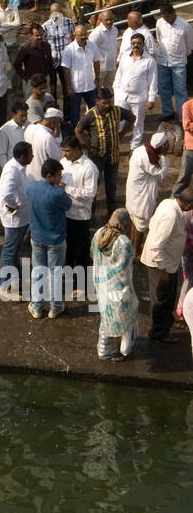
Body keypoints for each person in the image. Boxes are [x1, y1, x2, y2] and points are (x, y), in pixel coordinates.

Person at [140, 191, 193, 343]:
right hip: (161, 264)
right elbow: (157, 246)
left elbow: (152, 225)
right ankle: (159, 333)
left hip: (169, 262)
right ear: (188, 205)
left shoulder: (168, 203)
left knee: (169, 296)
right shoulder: (171, 216)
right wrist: (162, 270)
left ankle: (167, 323)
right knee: (160, 299)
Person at [76, 86, 133, 215]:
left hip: (113, 155)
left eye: (109, 102)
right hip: (96, 156)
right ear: (97, 101)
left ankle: (111, 213)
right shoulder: (90, 114)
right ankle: (91, 213)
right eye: (104, 102)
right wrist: (87, 147)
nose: (108, 105)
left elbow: (132, 118)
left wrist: (121, 134)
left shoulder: (117, 111)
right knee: (93, 186)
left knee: (112, 185)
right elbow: (78, 131)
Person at [26, 158, 71, 319]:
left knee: (38, 271)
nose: (60, 178)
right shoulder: (57, 193)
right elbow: (68, 205)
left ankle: (37, 306)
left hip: (37, 236)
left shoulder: (30, 187)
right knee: (55, 273)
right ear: (50, 175)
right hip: (56, 239)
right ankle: (55, 307)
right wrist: (62, 189)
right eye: (59, 175)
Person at [91, 210, 139, 362]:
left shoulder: (99, 233)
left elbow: (92, 254)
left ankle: (105, 351)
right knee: (125, 321)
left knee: (107, 318)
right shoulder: (123, 242)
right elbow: (126, 265)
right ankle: (123, 352)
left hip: (101, 284)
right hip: (119, 288)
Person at [59, 137, 99, 290]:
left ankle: (82, 284)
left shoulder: (89, 167)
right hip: (65, 214)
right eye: (63, 150)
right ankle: (69, 276)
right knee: (68, 248)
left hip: (80, 215)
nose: (65, 154)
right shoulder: (64, 163)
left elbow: (90, 193)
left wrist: (67, 189)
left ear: (77, 150)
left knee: (80, 250)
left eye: (67, 151)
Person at [0, 140, 33, 301]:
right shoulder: (12, 170)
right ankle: (5, 286)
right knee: (10, 251)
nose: (33, 156)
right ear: (22, 156)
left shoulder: (19, 168)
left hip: (21, 217)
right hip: (14, 219)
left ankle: (14, 280)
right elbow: (7, 194)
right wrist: (15, 206)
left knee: (14, 250)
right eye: (30, 154)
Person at [126, 131, 171, 254]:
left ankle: (133, 245)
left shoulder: (140, 149)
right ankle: (136, 251)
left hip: (134, 193)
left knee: (135, 221)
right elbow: (161, 174)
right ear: (161, 146)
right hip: (142, 197)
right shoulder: (147, 159)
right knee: (141, 224)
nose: (168, 146)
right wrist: (165, 157)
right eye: (166, 144)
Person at [114, 32, 157, 147]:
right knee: (118, 120)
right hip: (122, 95)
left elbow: (153, 81)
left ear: (143, 44)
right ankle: (115, 142)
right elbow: (119, 75)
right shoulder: (124, 57)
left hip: (139, 97)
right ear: (131, 44)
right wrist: (116, 91)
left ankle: (134, 145)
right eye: (133, 43)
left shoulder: (149, 61)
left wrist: (151, 99)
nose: (136, 45)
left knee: (138, 122)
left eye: (139, 43)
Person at [154, 4, 193, 120]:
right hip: (162, 61)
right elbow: (159, 38)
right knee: (163, 88)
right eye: (164, 17)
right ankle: (168, 113)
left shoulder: (185, 25)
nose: (166, 19)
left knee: (180, 90)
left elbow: (189, 46)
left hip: (179, 62)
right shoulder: (159, 23)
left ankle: (183, 117)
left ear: (173, 13)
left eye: (168, 17)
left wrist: (180, 55)